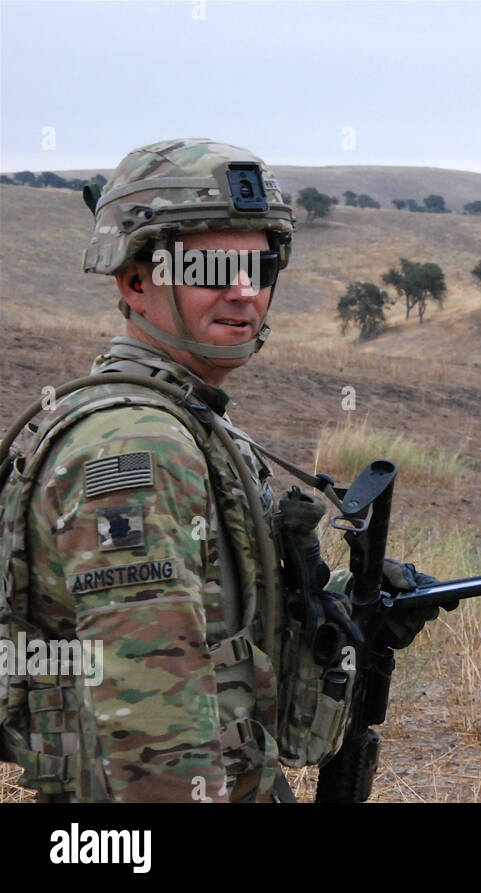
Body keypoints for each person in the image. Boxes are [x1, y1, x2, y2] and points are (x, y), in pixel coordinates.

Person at [0, 138, 439, 802]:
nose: (243, 291)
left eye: (260, 267)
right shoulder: (139, 446)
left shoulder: (184, 418)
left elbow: (214, 625)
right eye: (210, 268)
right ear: (136, 279)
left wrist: (350, 603)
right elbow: (155, 746)